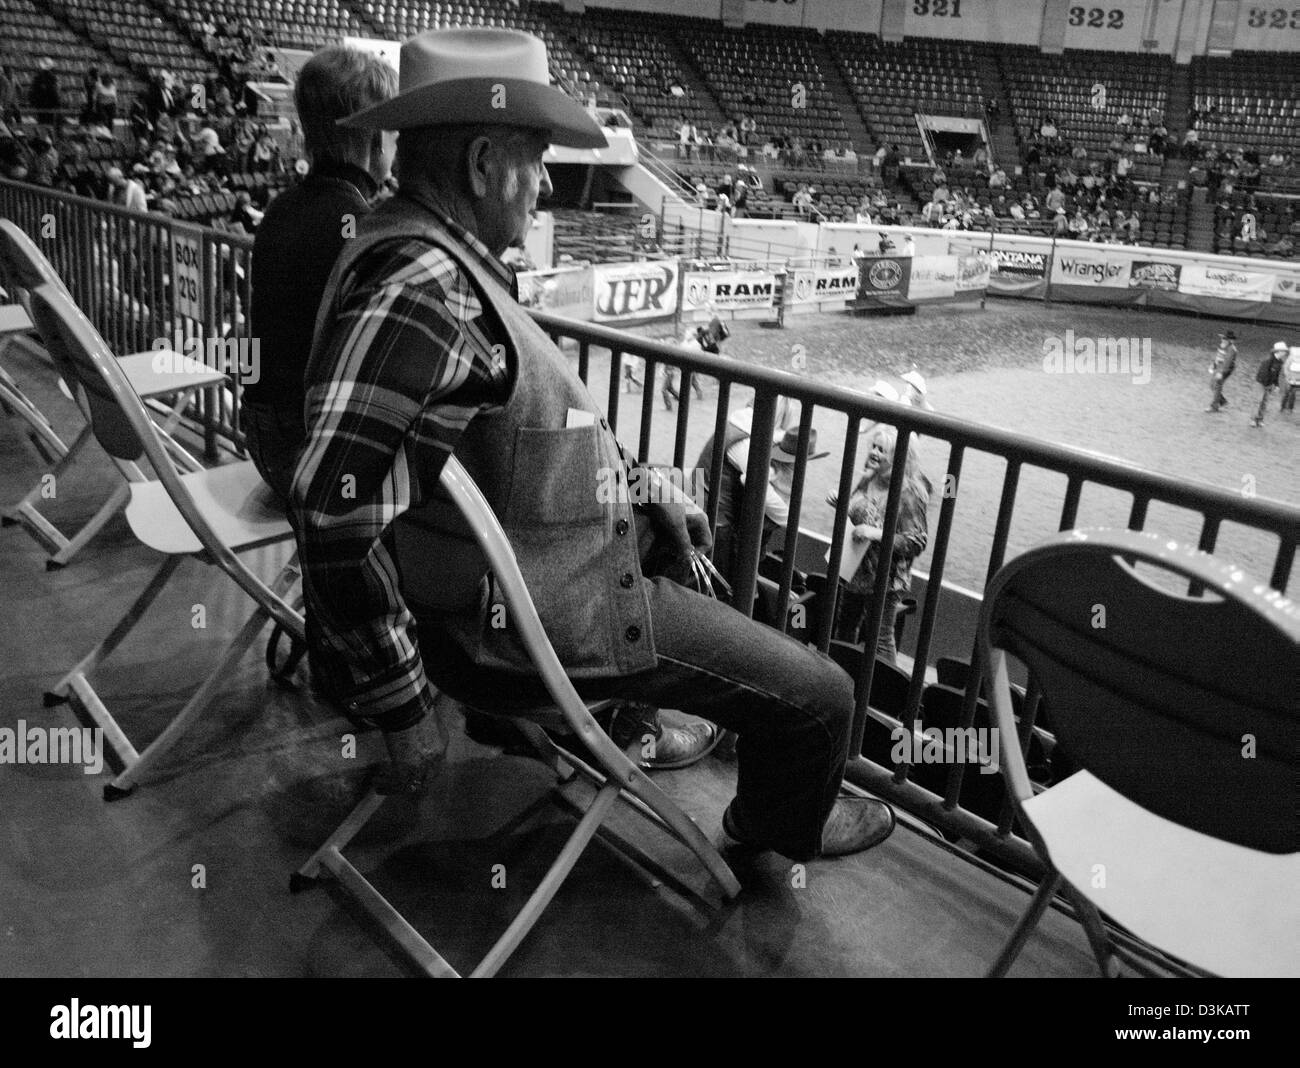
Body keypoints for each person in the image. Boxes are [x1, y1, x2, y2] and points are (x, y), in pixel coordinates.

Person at [293, 28, 893, 860]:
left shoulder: (434, 265)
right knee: (822, 696)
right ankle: (772, 828)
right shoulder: (427, 287)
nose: (543, 187)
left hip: (508, 613)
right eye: (536, 160)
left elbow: (494, 454)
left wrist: (635, 486)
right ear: (480, 164)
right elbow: (332, 508)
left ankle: (651, 735)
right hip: (533, 634)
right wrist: (398, 705)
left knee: (716, 595)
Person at [244, 45, 399, 505]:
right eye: (391, 130)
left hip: (262, 439)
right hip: (302, 457)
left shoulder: (280, 209)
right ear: (370, 137)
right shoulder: (362, 228)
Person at [830, 426, 930, 664]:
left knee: (880, 636)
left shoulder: (909, 493)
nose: (873, 453)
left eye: (881, 449)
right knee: (845, 626)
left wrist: (875, 534)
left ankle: (884, 691)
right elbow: (857, 517)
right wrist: (839, 503)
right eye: (873, 447)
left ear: (897, 457)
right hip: (855, 569)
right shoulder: (868, 478)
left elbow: (916, 541)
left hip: (886, 579)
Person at [1251, 342, 1288, 427]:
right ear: (1278, 351)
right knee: (1258, 401)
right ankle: (1253, 419)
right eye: (1284, 351)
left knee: (1264, 402)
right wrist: (1268, 384)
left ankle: (1260, 419)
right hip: (1261, 383)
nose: (1285, 353)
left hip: (1269, 384)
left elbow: (1277, 375)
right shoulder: (1268, 360)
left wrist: (1277, 385)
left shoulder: (1280, 362)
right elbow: (1263, 373)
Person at [1206, 330, 1237, 413]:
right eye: (1223, 338)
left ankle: (1214, 406)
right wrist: (1214, 364)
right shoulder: (1222, 346)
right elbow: (1218, 356)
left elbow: (1228, 362)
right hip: (1219, 366)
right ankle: (1222, 401)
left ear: (1230, 340)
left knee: (1217, 384)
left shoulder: (1231, 349)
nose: (1222, 340)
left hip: (1225, 368)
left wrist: (1221, 372)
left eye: (1225, 339)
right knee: (1212, 385)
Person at [1281, 344, 1299, 413]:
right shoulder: (1291, 359)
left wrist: (1288, 377)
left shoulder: (1290, 358)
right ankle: (1288, 408)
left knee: (1288, 393)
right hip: (1294, 380)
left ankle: (1284, 408)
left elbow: (1285, 368)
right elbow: (1286, 368)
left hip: (1291, 380)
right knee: (1291, 394)